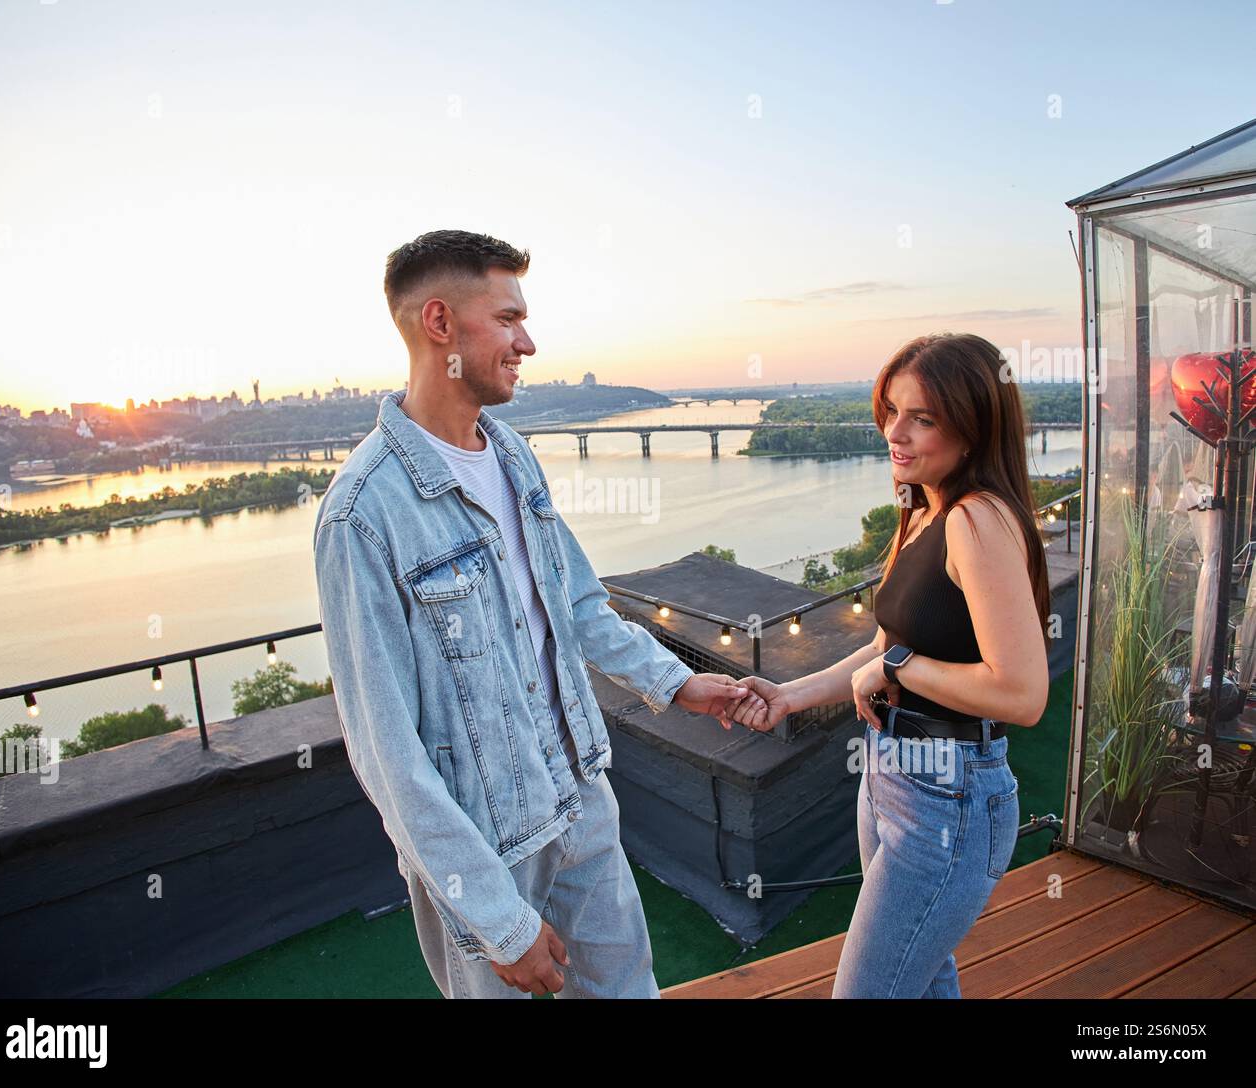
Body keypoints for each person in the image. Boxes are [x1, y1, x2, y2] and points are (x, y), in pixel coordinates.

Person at [313, 229, 759, 999]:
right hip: (486, 846)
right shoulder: (362, 515)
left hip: (580, 796)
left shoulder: (512, 454)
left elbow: (576, 604)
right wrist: (498, 920)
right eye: (509, 318)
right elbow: (387, 753)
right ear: (441, 325)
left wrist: (679, 684)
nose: (529, 341)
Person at [723, 332, 1051, 998]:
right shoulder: (925, 511)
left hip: (950, 799)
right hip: (892, 778)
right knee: (923, 977)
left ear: (974, 424)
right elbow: (881, 647)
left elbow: (1022, 694)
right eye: (891, 411)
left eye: (922, 418)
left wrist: (901, 669)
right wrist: (789, 695)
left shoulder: (976, 521)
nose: (894, 433)